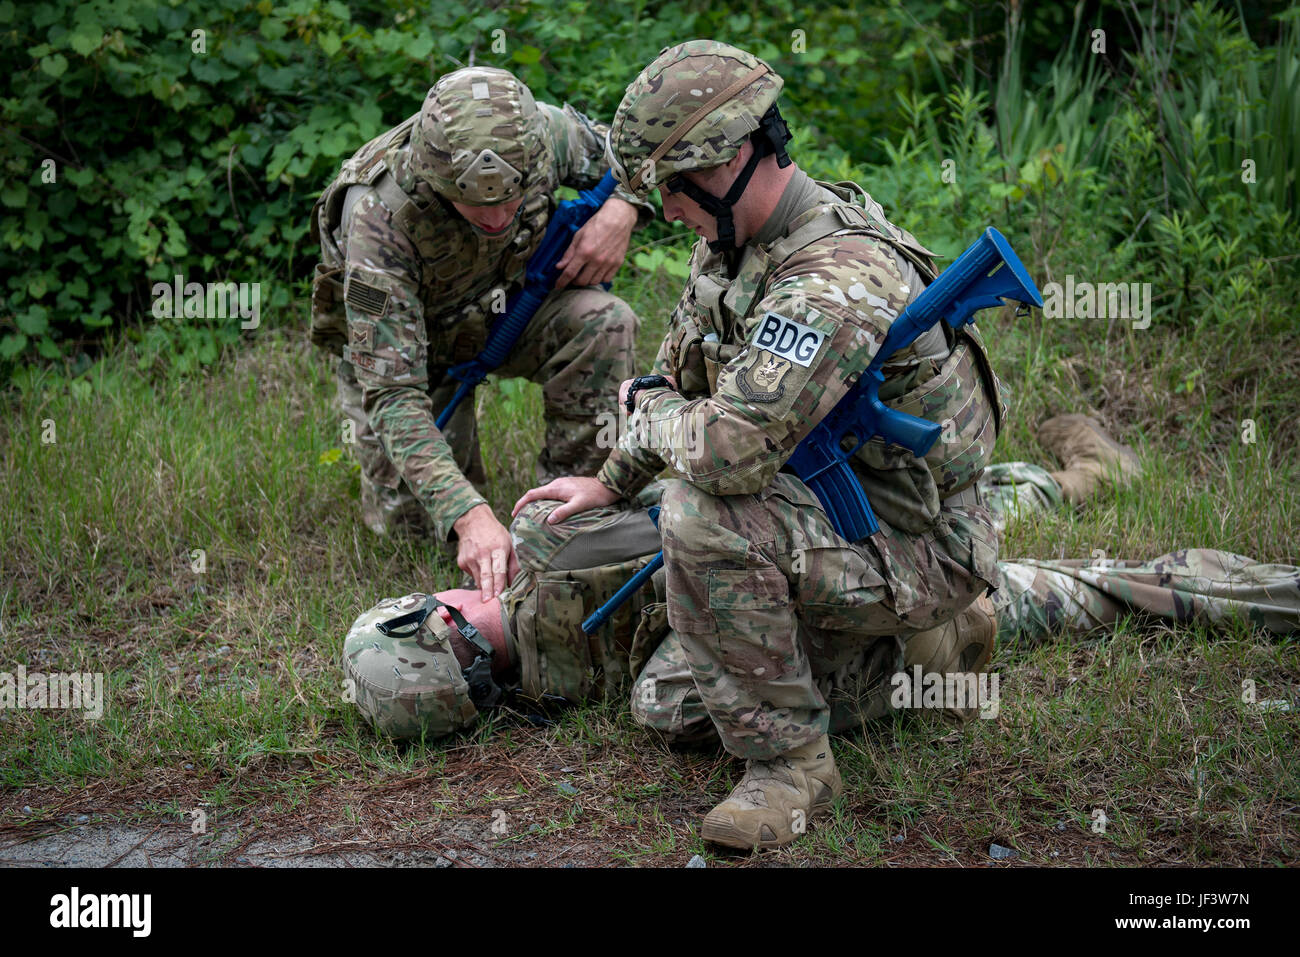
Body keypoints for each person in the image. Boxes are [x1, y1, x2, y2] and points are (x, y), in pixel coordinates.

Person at [509, 39, 1003, 849]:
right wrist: (607, 479)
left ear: (734, 158)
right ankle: (906, 655)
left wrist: (655, 414)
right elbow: (678, 376)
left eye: (674, 187)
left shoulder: (830, 279)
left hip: (914, 539)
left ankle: (795, 767)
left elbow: (727, 448)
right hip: (835, 504)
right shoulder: (733, 242)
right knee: (669, 700)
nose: (666, 209)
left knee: (701, 511)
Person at [341, 417, 1300, 779]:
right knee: (1080, 583)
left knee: (1013, 534)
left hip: (823, 538)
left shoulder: (583, 656)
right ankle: (1262, 590)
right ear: (446, 617)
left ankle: (1085, 471)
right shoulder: (553, 539)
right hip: (850, 565)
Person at [309, 65, 654, 601]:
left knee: (606, 321)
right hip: (410, 346)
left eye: (510, 198)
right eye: (475, 202)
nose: (496, 217)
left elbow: (642, 151)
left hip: (513, 306)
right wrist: (468, 517)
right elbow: (393, 392)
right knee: (417, 534)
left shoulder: (543, 134)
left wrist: (622, 207)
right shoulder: (375, 216)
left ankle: (570, 507)